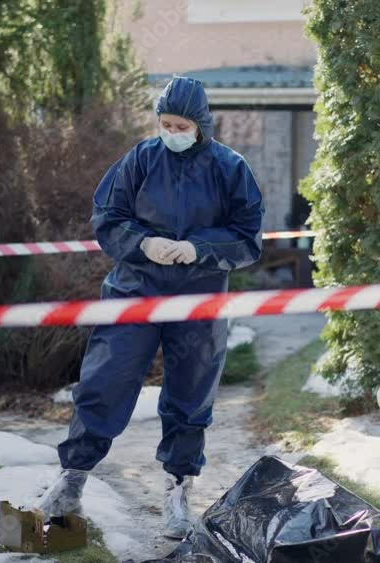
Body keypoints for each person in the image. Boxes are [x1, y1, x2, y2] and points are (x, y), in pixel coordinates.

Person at [37, 76, 265, 539]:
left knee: (191, 392)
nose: (172, 133)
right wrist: (144, 243)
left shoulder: (230, 168)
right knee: (106, 377)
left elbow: (247, 237)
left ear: (201, 125)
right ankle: (71, 480)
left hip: (198, 296)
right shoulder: (140, 160)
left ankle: (179, 490)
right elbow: (108, 217)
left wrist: (199, 248)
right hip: (135, 288)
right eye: (166, 124)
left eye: (182, 126)